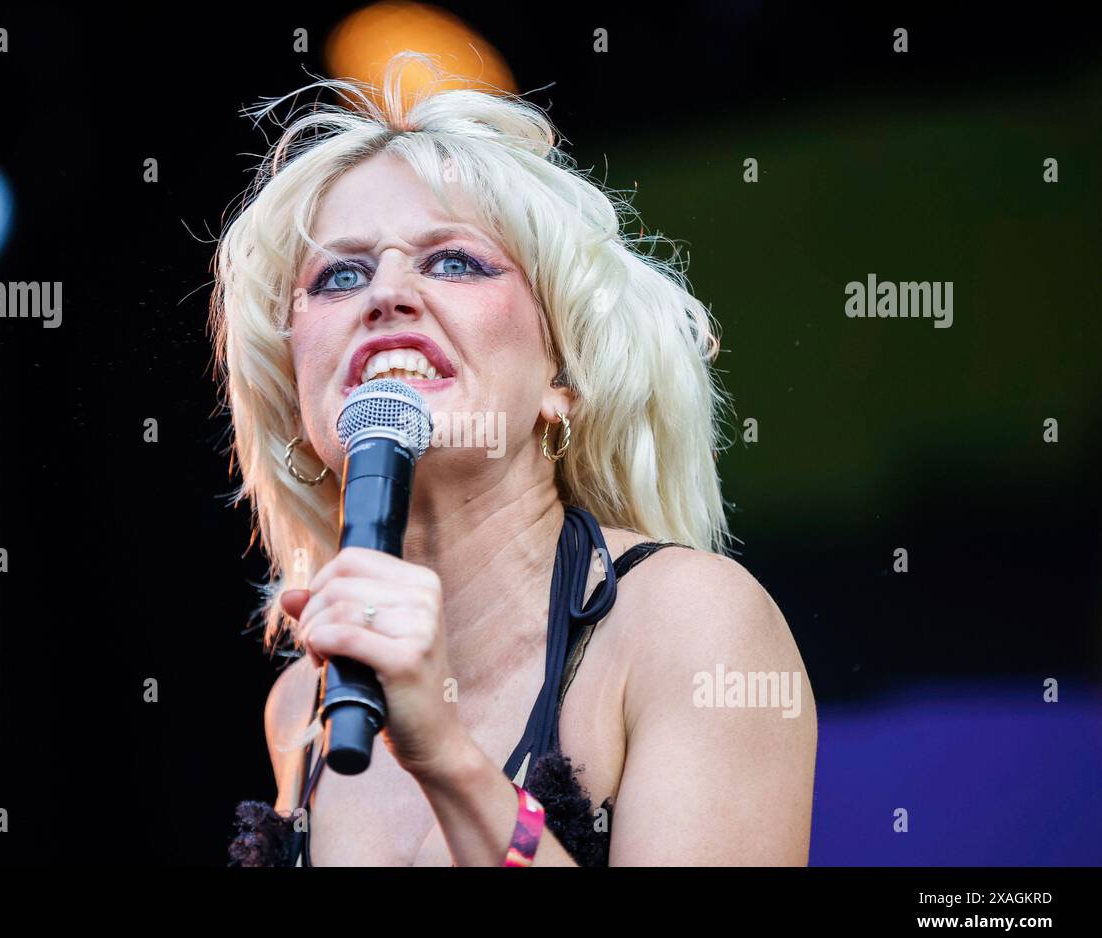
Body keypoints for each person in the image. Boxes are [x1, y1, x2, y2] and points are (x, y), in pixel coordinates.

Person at [212, 51, 817, 866]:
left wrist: (448, 760)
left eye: (453, 261)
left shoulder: (686, 624)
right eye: (339, 275)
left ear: (560, 377)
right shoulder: (304, 705)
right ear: (298, 396)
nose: (385, 293)